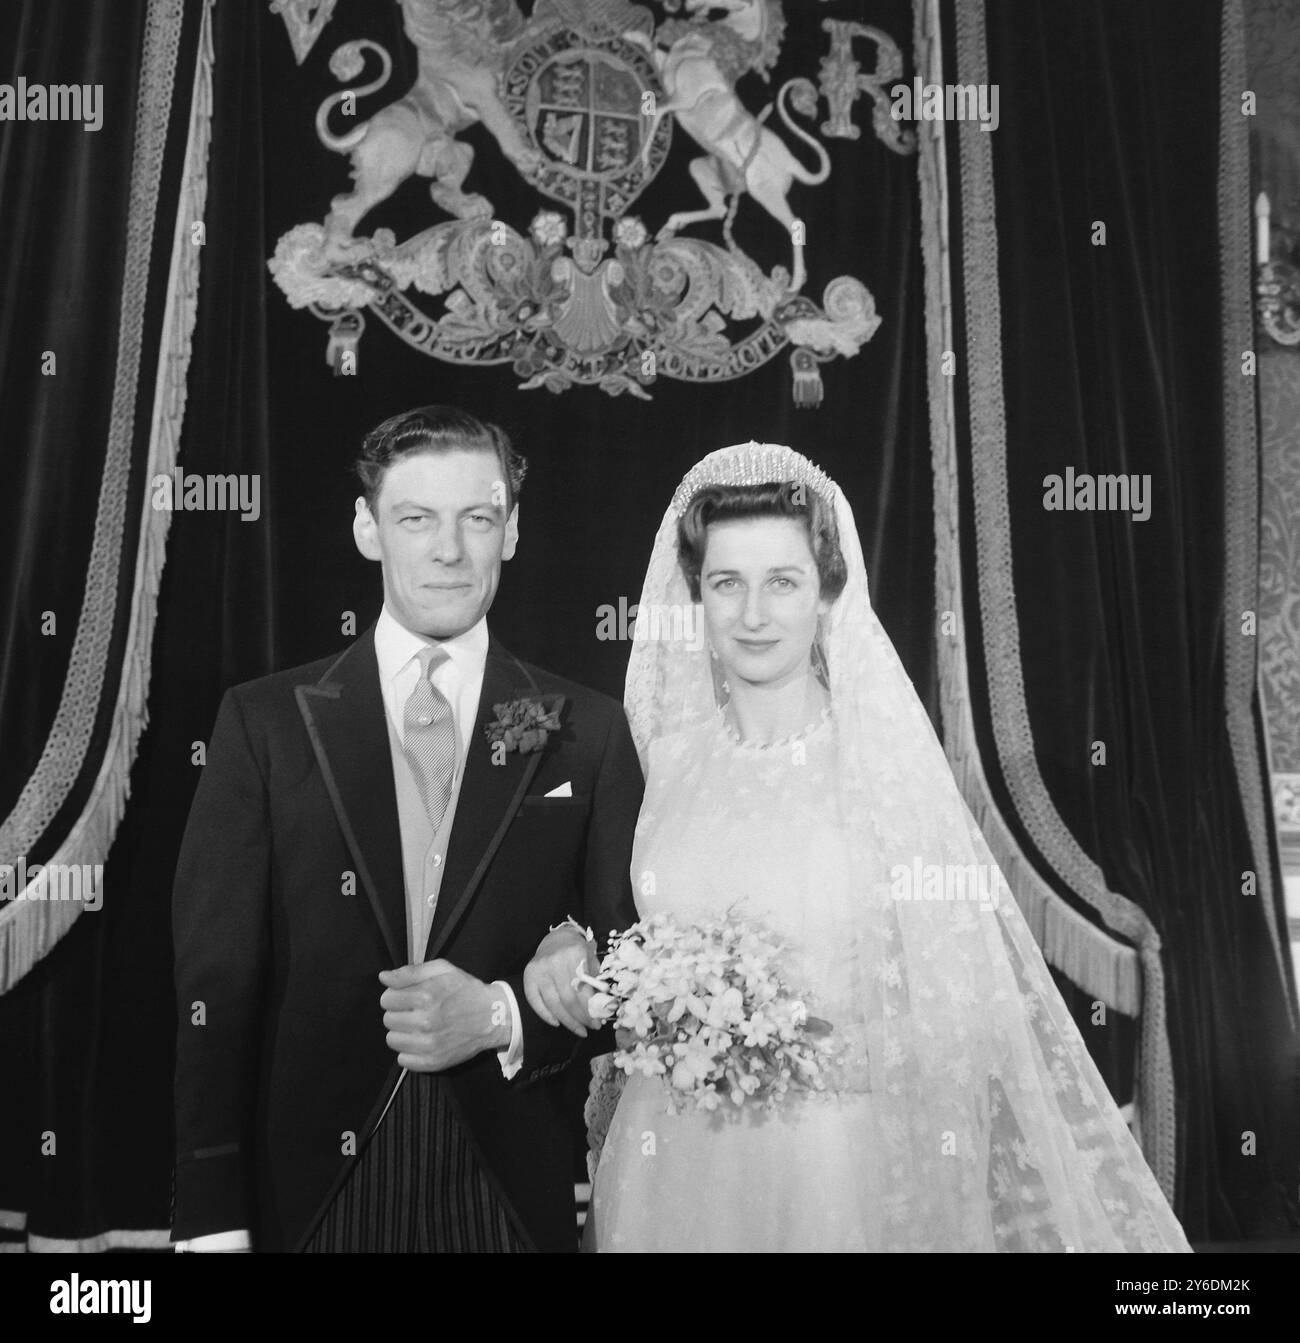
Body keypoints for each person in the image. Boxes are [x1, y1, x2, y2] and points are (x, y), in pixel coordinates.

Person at [525, 441, 1192, 1252]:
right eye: (725, 584)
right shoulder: (661, 762)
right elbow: (606, 924)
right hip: (667, 1159)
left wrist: (792, 1042)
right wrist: (573, 946)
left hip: (831, 1166)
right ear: (694, 598)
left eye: (783, 582)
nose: (752, 614)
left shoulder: (881, 768)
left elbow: (957, 1013)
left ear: (828, 592)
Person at [170, 406, 641, 1253]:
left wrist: (505, 1017)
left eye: (478, 518)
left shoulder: (590, 730)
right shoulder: (263, 724)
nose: (449, 550)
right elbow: (215, 984)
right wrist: (209, 1218)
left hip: (507, 1192)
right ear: (367, 527)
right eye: (417, 519)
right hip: (311, 1193)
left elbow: (635, 969)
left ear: (513, 529)